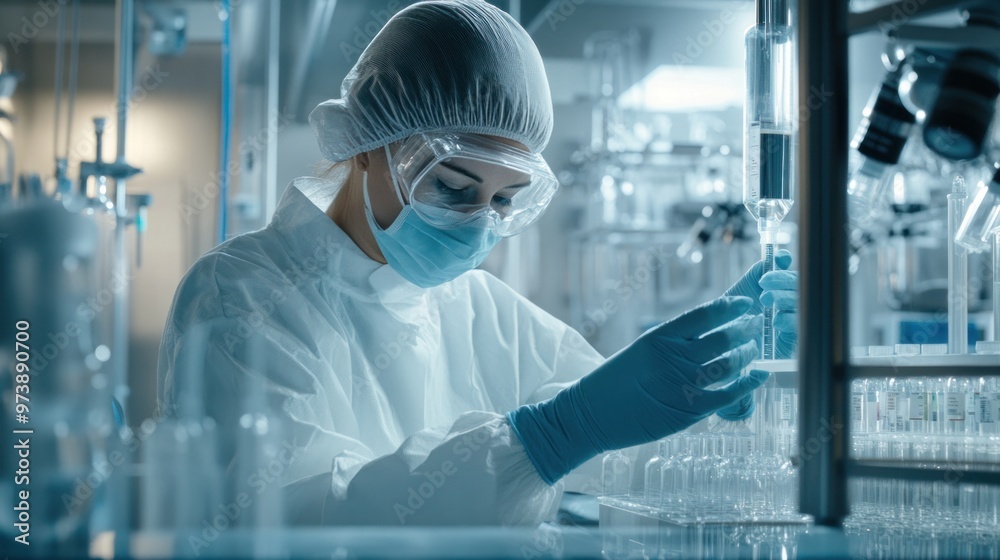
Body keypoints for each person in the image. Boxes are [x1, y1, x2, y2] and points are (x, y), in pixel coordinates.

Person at [157, 0, 798, 526]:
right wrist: (547, 439)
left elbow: (624, 445)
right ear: (367, 146)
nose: (478, 223)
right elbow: (303, 518)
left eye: (505, 199)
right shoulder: (242, 295)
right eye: (452, 187)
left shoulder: (479, 306)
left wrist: (721, 376)